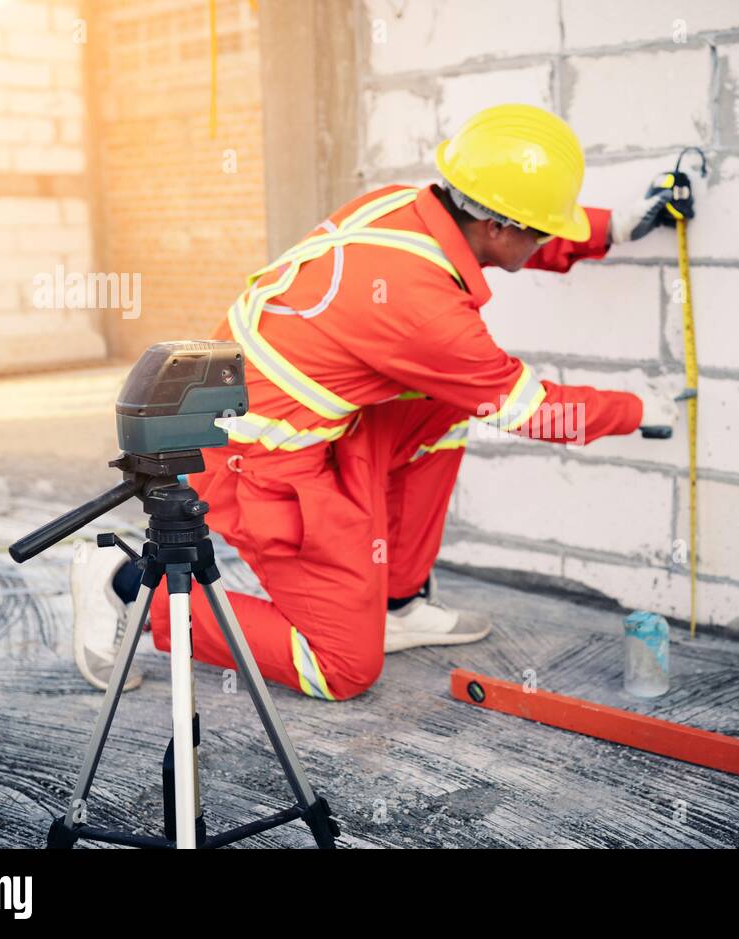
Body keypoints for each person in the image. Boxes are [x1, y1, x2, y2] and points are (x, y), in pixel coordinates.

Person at [70, 103, 692, 700]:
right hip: (258, 461)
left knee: (445, 404)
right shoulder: (422, 310)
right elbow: (529, 410)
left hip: (288, 416)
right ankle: (128, 586)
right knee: (340, 667)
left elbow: (504, 233)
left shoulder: (410, 206)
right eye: (546, 231)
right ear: (498, 225)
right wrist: (639, 412)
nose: (547, 240)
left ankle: (399, 601)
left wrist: (611, 229)